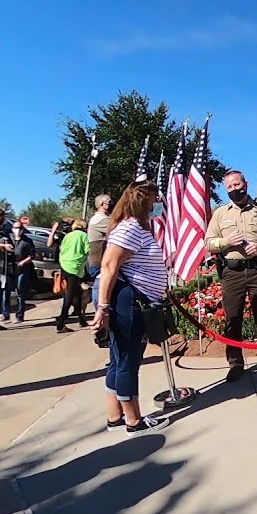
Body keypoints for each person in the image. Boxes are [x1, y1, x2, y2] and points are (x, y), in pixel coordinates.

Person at [91, 181, 171, 435]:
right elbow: (109, 267)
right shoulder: (130, 228)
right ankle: (133, 420)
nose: (158, 205)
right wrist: (102, 307)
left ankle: (115, 416)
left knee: (118, 360)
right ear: (143, 201)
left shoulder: (135, 228)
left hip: (133, 299)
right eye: (155, 199)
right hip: (128, 301)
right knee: (128, 360)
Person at [205, 170, 257, 386]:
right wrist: (226, 242)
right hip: (232, 273)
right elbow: (208, 242)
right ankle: (235, 364)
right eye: (229, 187)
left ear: (245, 184)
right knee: (232, 320)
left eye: (237, 184)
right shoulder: (221, 213)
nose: (234, 189)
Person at [55, 219, 90, 332]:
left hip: (64, 265)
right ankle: (61, 323)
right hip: (74, 267)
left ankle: (81, 319)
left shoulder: (68, 236)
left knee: (76, 294)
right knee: (70, 296)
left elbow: (61, 249)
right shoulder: (83, 236)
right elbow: (87, 250)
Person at [86, 193, 112, 307]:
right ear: (102, 204)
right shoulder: (99, 220)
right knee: (100, 285)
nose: (111, 204)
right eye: (109, 202)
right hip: (99, 261)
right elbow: (117, 228)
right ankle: (100, 309)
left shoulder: (102, 219)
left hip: (101, 261)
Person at [12, 220, 35, 322]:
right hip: (10, 269)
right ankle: (5, 314)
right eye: (15, 228)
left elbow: (32, 255)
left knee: (20, 290)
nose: (17, 230)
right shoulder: (9, 240)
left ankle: (20, 314)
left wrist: (23, 262)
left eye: (19, 228)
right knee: (6, 291)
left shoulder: (27, 241)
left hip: (23, 269)